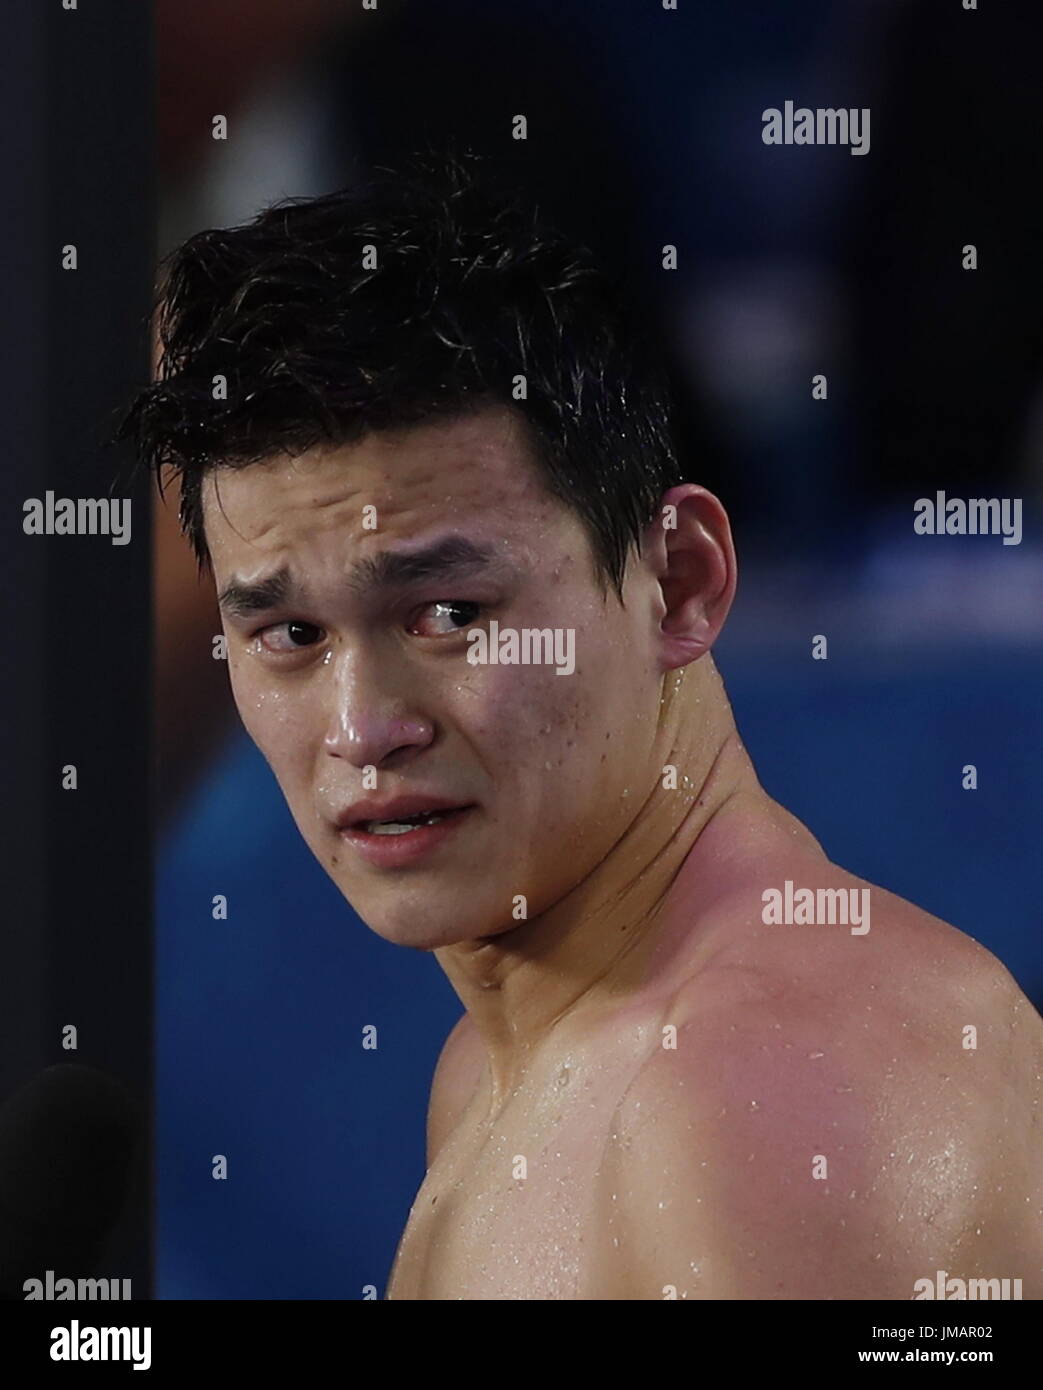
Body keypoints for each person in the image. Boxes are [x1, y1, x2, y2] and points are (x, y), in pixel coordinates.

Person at [117, 150, 1042, 1300]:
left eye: (447, 613)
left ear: (682, 579)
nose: (362, 728)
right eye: (291, 636)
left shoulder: (763, 1090)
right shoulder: (510, 1060)